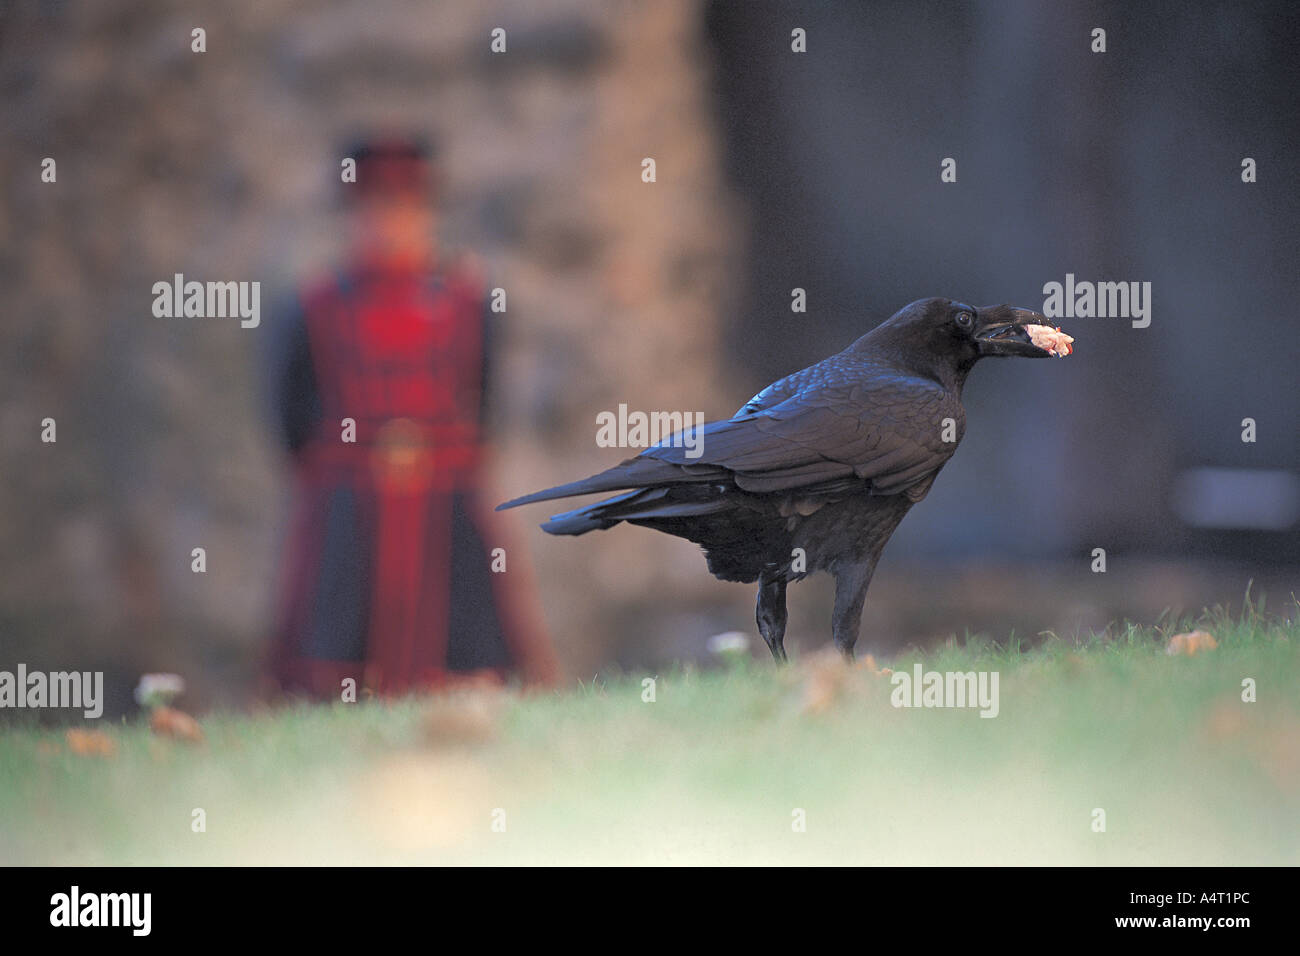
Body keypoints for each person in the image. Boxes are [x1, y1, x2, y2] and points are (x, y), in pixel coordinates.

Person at [268, 136, 558, 697]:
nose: (389, 224)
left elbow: (486, 403)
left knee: (470, 656)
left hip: (448, 507)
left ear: (427, 213)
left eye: (403, 207)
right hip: (346, 512)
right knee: (335, 659)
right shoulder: (314, 304)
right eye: (373, 208)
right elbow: (292, 419)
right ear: (350, 216)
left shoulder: (467, 301)